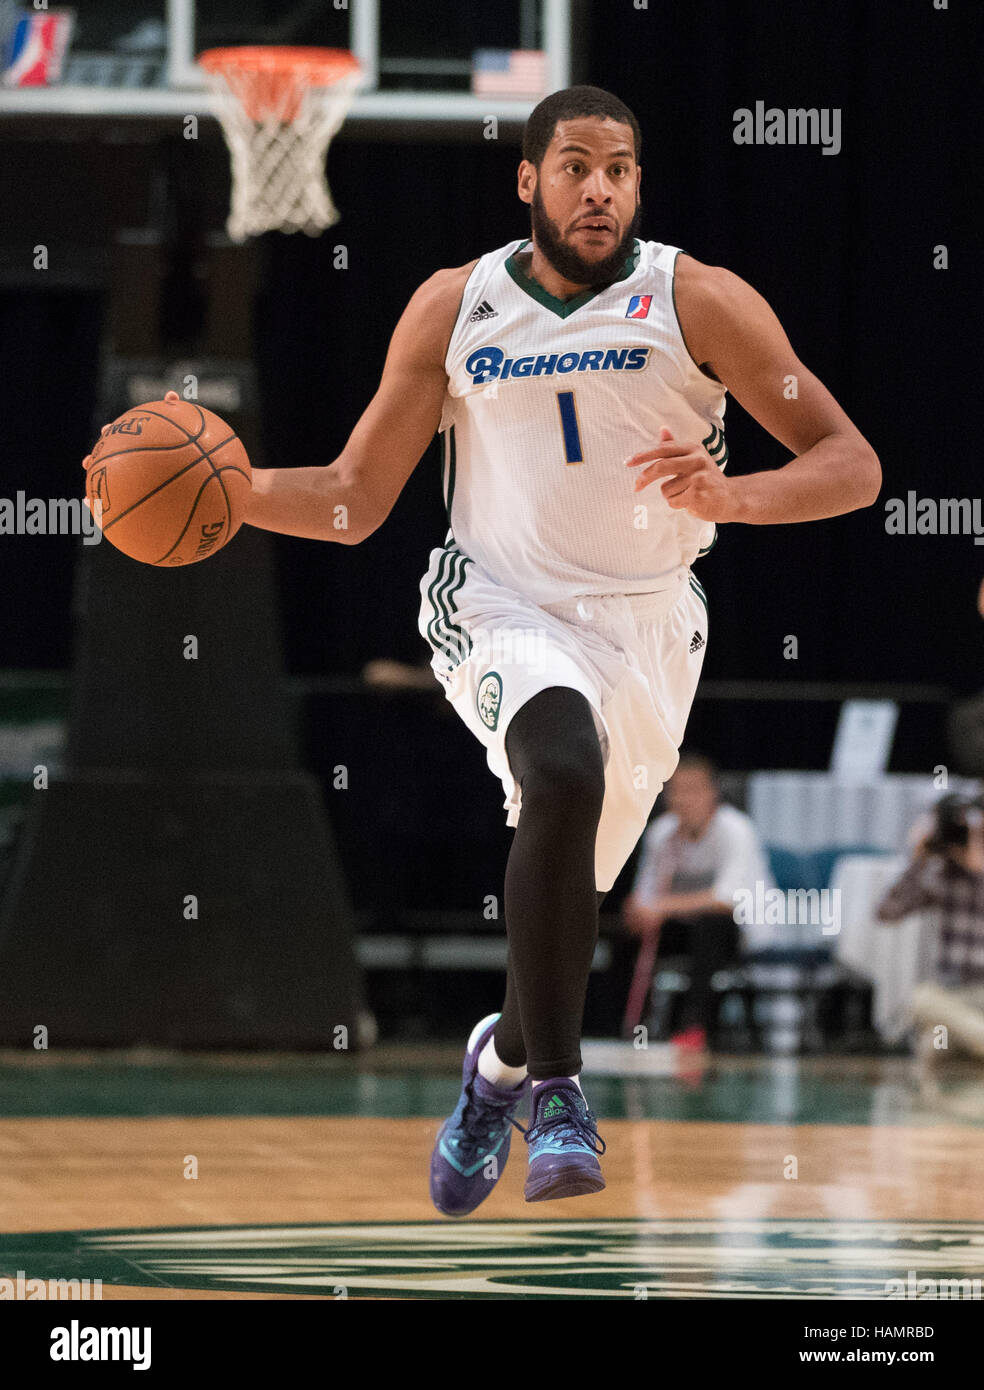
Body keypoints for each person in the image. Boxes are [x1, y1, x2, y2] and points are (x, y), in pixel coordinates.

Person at [84, 85, 881, 1210]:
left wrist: (739, 496)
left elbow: (853, 466)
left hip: (652, 625)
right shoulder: (454, 307)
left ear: (640, 186)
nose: (598, 186)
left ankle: (498, 1066)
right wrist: (231, 488)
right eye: (574, 165)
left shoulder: (698, 301)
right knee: (560, 763)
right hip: (499, 601)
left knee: (557, 926)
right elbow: (357, 500)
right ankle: (559, 1087)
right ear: (529, 180)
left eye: (619, 168)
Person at [622, 753, 774, 1051]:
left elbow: (725, 899)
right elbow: (645, 895)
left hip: (740, 929)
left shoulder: (736, 830)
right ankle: (624, 1027)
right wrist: (639, 911)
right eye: (676, 790)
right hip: (682, 927)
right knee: (627, 935)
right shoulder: (661, 833)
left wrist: (660, 906)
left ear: (712, 793)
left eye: (693, 790)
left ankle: (694, 1027)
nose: (683, 799)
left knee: (711, 926)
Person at [876, 793, 984, 1066]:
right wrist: (920, 857)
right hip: (954, 997)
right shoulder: (942, 877)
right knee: (924, 1014)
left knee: (935, 1027)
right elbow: (886, 912)